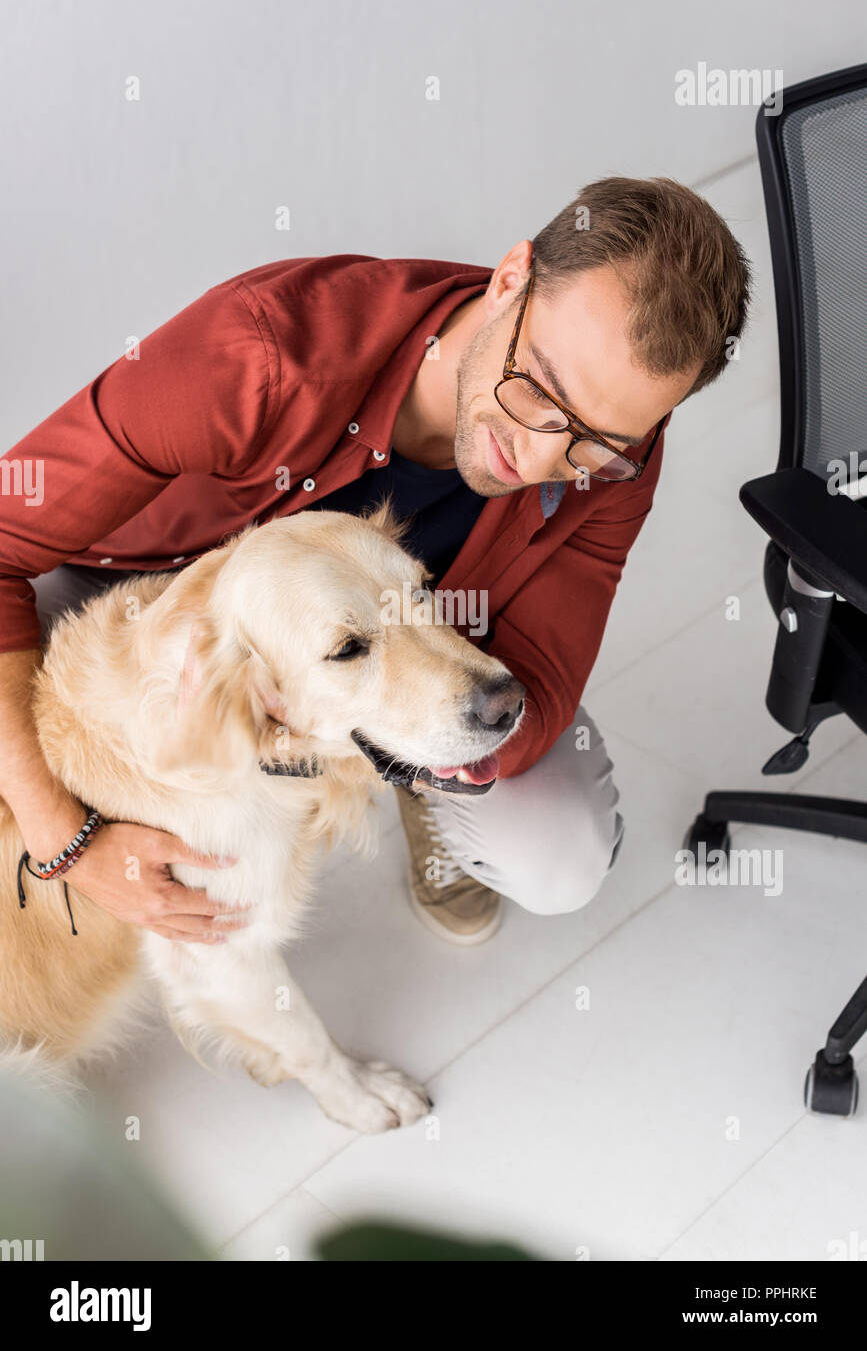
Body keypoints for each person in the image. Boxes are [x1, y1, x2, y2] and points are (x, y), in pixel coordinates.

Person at [0, 176, 750, 948]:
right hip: (128, 597)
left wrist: (406, 733)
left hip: (422, 662)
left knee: (558, 857)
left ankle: (400, 759)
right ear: (509, 280)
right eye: (539, 391)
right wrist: (64, 841)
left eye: (597, 440)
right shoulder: (255, 354)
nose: (541, 457)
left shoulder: (619, 456)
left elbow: (546, 676)